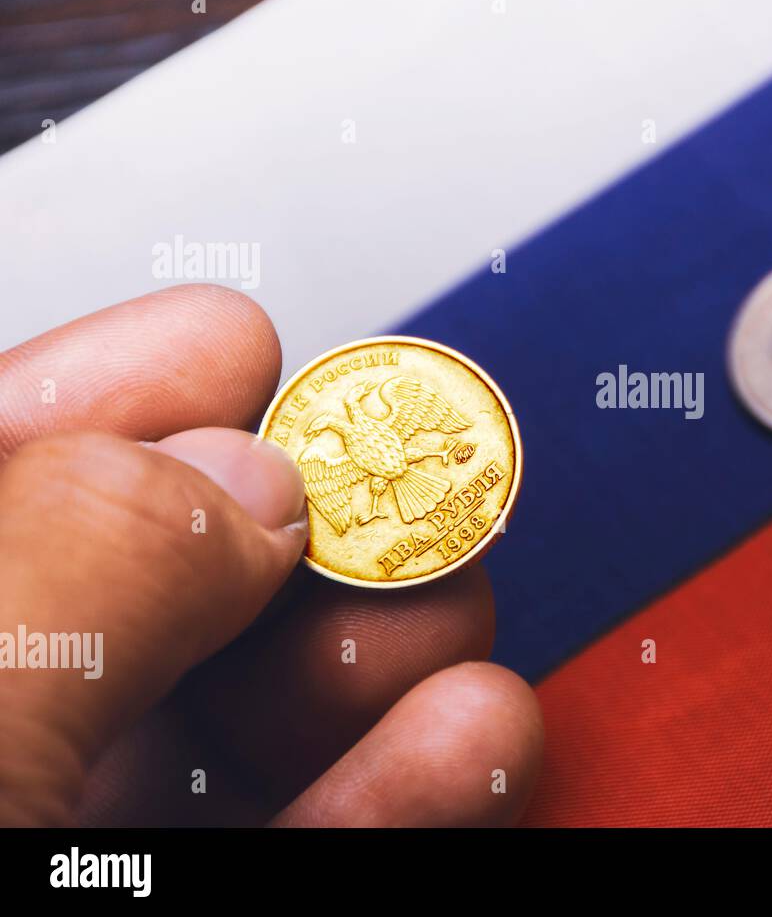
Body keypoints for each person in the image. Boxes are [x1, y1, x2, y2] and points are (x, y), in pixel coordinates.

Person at [0, 284, 543, 826]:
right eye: (340, 416)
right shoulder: (329, 452)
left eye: (343, 412)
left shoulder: (387, 413)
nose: (342, 414)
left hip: (407, 475)